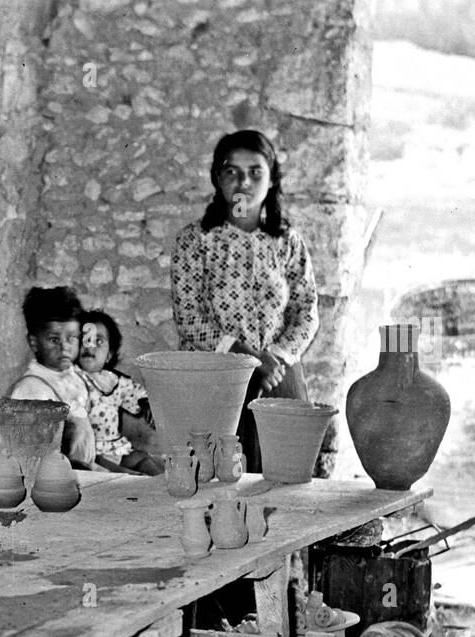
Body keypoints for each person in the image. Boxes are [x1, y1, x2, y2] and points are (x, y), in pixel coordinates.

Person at [170, 129, 320, 472]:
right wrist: (249, 359)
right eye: (231, 172)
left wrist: (274, 360)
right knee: (221, 477)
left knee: (284, 474)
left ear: (271, 180)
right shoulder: (195, 241)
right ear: (217, 179)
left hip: (277, 374)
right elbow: (189, 318)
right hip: (217, 375)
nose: (244, 182)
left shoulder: (286, 242)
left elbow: (306, 313)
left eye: (255, 172)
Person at [8, 286, 97, 469]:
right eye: (54, 340)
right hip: (51, 480)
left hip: (83, 473)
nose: (64, 347)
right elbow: (31, 456)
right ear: (34, 342)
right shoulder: (32, 389)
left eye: (72, 338)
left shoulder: (75, 378)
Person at [74, 310, 161, 475]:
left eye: (98, 341)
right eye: (83, 340)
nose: (89, 345)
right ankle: (128, 477)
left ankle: (162, 481)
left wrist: (146, 404)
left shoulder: (112, 380)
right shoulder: (72, 379)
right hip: (89, 453)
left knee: (143, 458)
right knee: (112, 469)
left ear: (109, 355)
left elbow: (135, 392)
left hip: (116, 448)